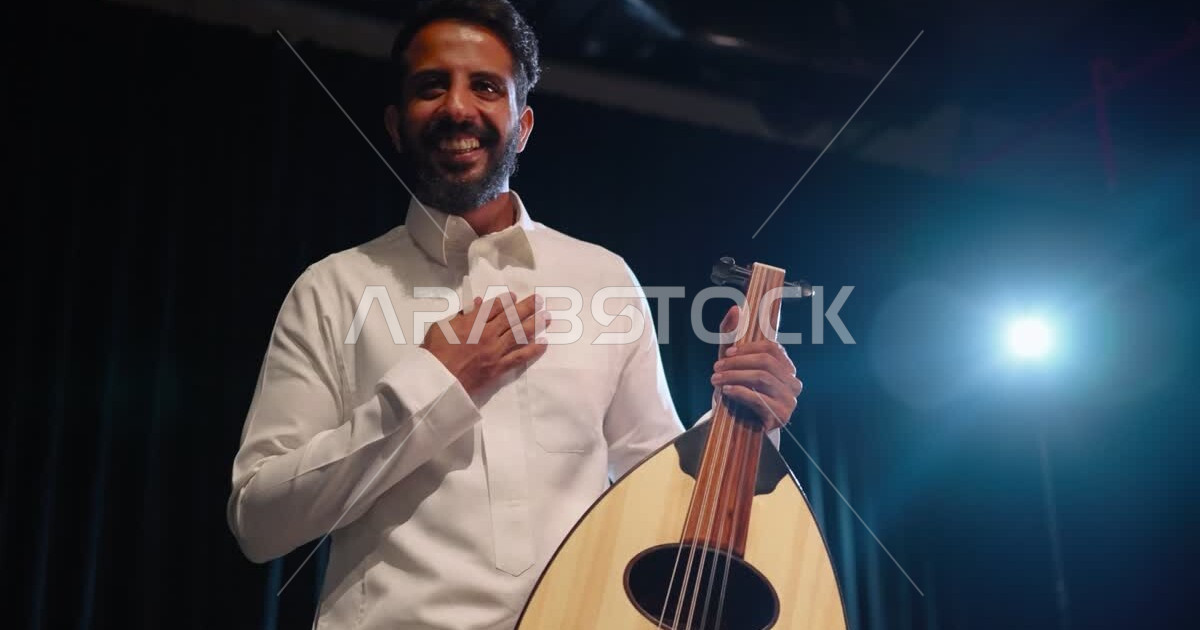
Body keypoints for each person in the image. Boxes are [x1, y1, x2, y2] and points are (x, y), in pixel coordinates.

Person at [226, 1, 803, 628]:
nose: (457, 107)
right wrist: (435, 383)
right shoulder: (332, 289)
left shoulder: (603, 279)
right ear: (395, 124)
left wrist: (745, 421)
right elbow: (259, 521)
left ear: (522, 125)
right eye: (431, 86)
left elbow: (662, 508)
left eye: (485, 87)